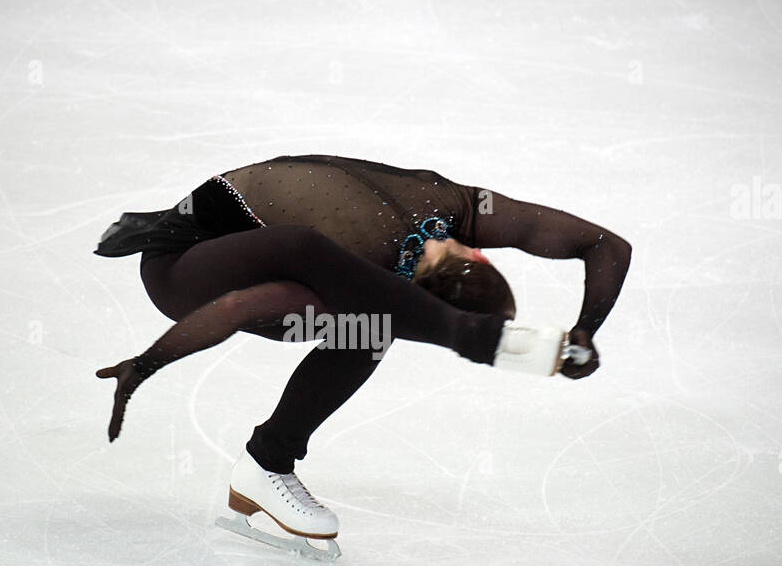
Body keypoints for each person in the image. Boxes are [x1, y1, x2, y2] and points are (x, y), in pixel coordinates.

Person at [94, 154, 631, 543]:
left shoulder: (460, 209)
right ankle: (267, 462)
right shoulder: (387, 242)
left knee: (368, 323)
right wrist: (146, 364)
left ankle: (266, 463)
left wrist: (586, 330)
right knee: (347, 297)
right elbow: (235, 307)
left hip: (254, 250)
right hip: (181, 268)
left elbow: (605, 245)